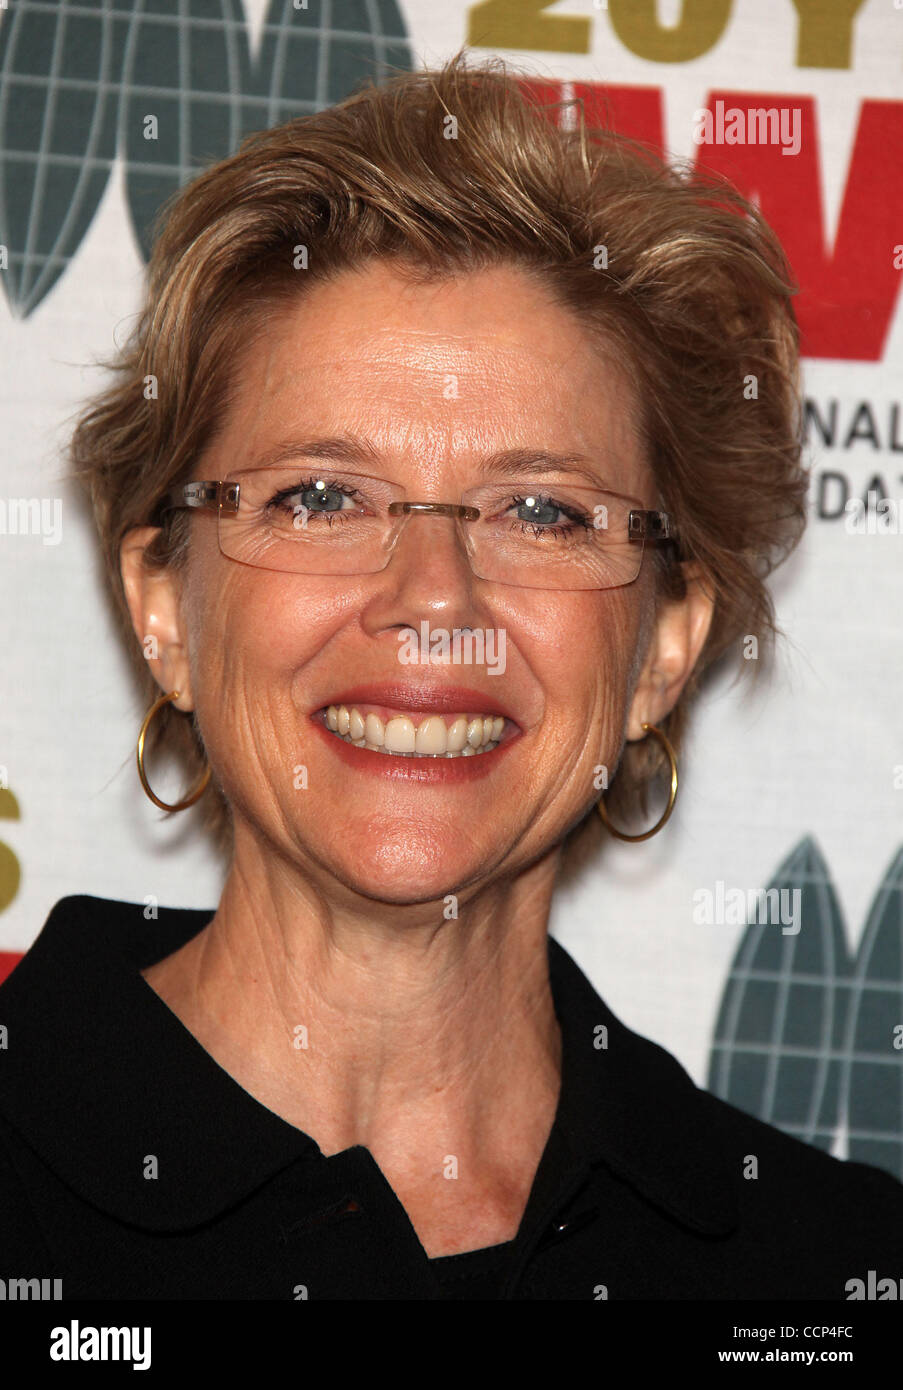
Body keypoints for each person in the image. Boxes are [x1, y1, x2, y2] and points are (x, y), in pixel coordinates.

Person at [1, 52, 900, 1301]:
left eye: (540, 509)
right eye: (321, 496)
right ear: (162, 602)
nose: (435, 598)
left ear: (664, 643)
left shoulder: (837, 1275)